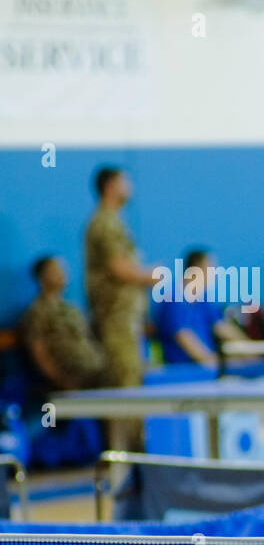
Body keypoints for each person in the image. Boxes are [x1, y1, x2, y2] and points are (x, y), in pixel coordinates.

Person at [84, 166, 157, 451]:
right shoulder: (104, 223)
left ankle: (131, 452)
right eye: (125, 181)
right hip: (116, 319)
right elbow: (119, 268)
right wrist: (151, 275)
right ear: (111, 186)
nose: (131, 186)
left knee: (131, 379)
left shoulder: (115, 221)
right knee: (125, 384)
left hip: (127, 320)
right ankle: (129, 455)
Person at [20, 257, 107, 391]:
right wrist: (62, 381)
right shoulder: (37, 312)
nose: (62, 274)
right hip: (71, 379)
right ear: (42, 277)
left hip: (95, 372)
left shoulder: (72, 309)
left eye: (63, 270)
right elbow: (39, 352)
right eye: (55, 270)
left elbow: (89, 340)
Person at [155, 248, 246, 368]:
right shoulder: (173, 300)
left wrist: (252, 351)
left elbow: (222, 327)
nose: (214, 274)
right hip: (183, 372)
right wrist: (216, 364)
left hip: (206, 368)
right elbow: (183, 337)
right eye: (211, 269)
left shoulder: (203, 299)